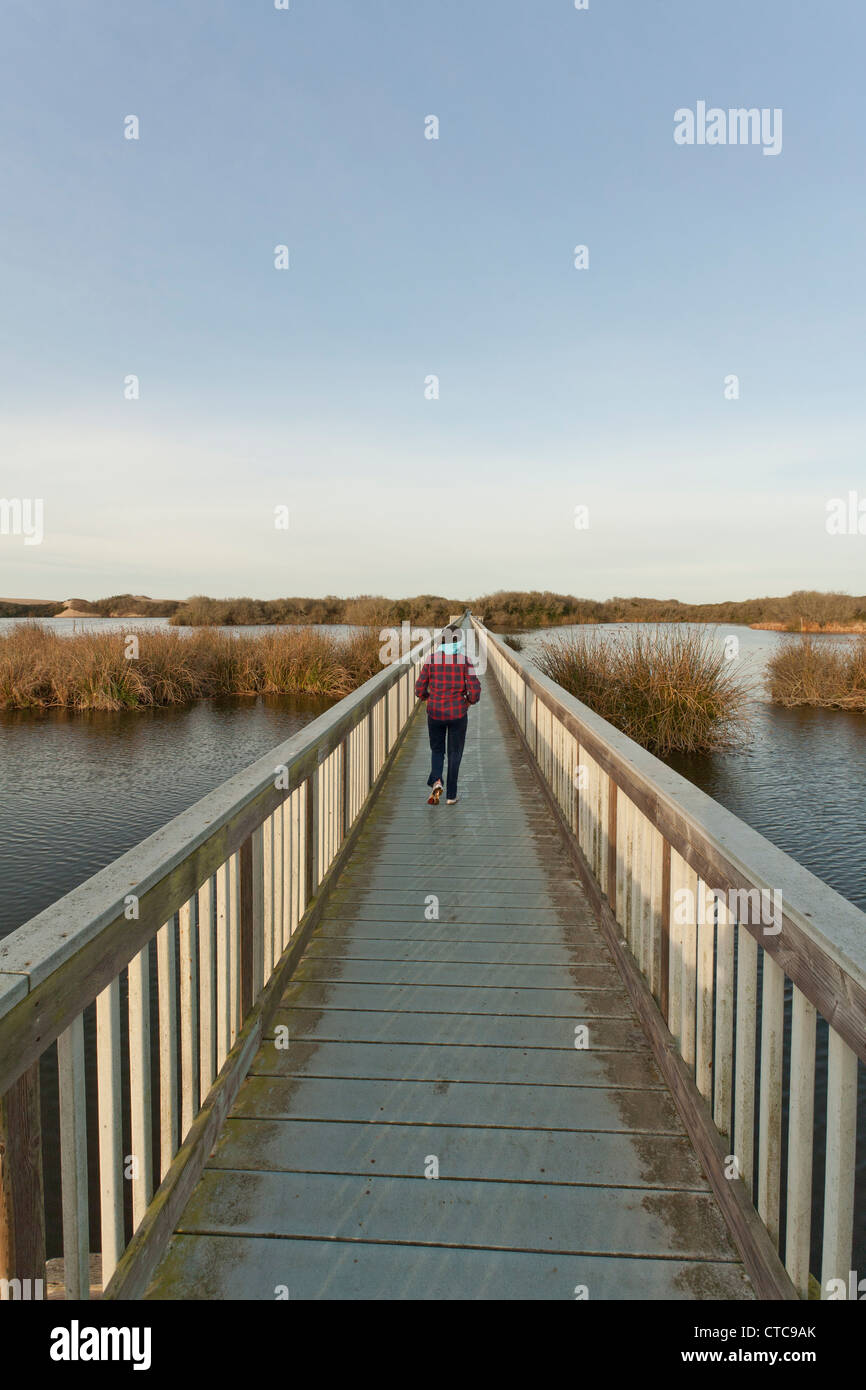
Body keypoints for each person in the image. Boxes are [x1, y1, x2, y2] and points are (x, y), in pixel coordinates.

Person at [414, 626, 481, 805]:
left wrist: (427, 698)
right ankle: (451, 796)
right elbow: (474, 691)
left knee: (437, 750)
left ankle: (436, 780)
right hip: (458, 714)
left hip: (435, 713)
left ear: (441, 641)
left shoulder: (431, 660)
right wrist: (468, 702)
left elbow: (419, 687)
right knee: (455, 753)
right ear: (459, 641)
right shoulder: (465, 661)